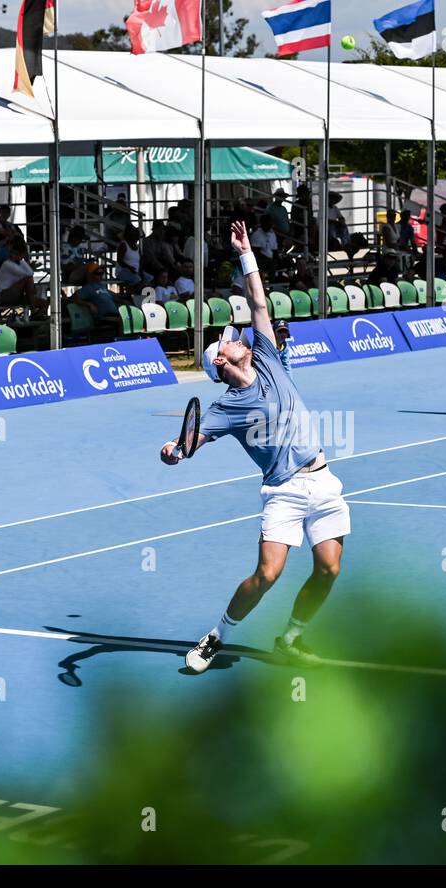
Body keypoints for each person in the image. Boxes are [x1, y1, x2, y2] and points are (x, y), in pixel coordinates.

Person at [164, 220, 350, 673]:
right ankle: (217, 636)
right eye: (229, 342)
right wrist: (171, 451)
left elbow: (259, 301)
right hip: (283, 492)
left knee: (329, 569)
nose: (237, 339)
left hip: (323, 480)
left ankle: (290, 638)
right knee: (268, 574)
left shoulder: (266, 356)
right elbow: (189, 444)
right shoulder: (225, 407)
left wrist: (245, 253)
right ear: (222, 361)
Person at [0, 237, 45, 316]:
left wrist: (22, 261)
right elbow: (28, 274)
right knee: (28, 279)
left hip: (15, 295)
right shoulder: (7, 264)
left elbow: (30, 273)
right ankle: (33, 308)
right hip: (3, 296)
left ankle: (35, 320)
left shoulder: (20, 262)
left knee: (45, 304)